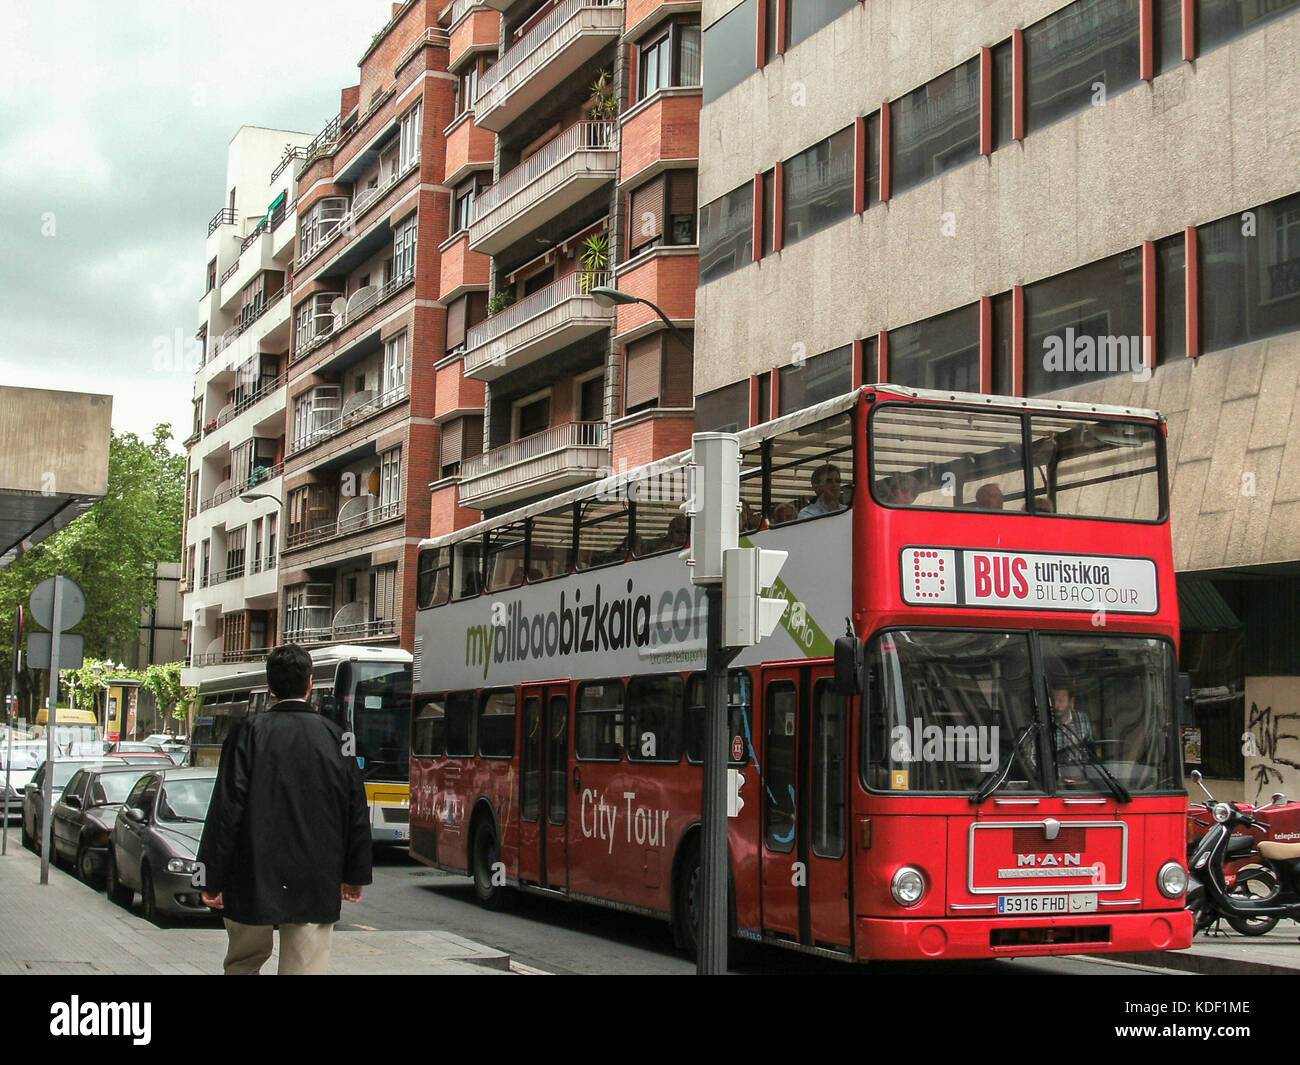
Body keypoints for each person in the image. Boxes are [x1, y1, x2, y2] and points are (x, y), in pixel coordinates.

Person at [196, 644, 372, 975]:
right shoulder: (338, 738)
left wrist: (209, 876)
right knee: (305, 965)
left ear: (270, 685)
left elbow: (225, 809)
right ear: (309, 683)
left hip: (251, 872)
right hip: (315, 876)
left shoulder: (247, 732)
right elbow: (355, 810)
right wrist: (354, 874)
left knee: (242, 962)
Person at [1048, 681, 1095, 767]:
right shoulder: (1044, 723)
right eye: (1053, 701)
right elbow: (1032, 758)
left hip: (1081, 773)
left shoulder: (1082, 719)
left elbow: (1090, 750)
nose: (1056, 706)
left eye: (1061, 701)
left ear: (1071, 702)